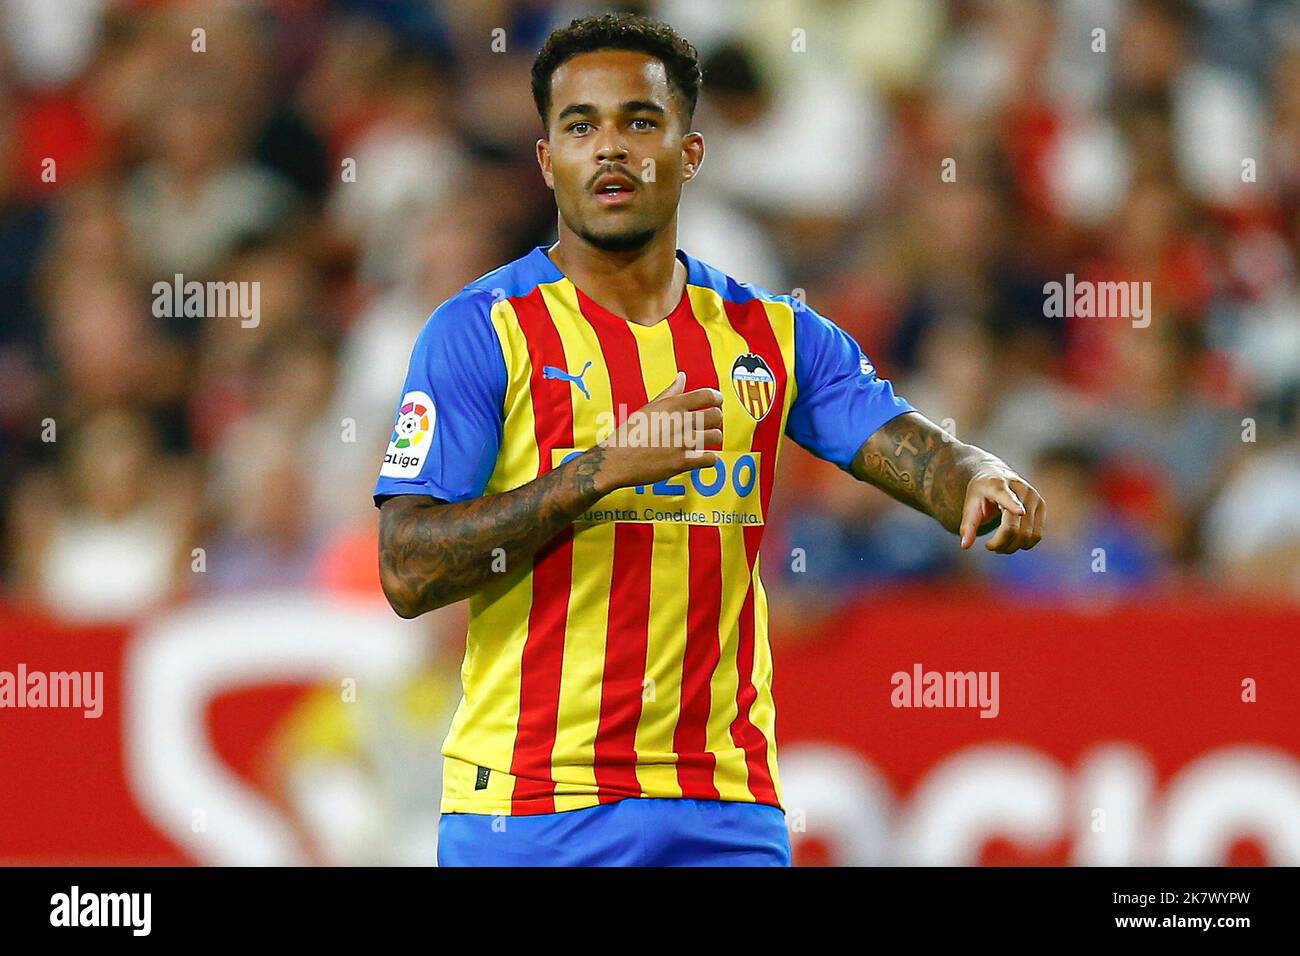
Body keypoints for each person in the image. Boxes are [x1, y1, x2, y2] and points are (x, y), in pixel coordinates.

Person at [373, 13, 1045, 867]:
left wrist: (977, 471)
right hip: (533, 808)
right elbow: (408, 567)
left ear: (689, 153)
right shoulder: (479, 332)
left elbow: (908, 444)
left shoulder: (775, 336)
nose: (609, 148)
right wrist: (602, 471)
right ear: (548, 162)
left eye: (639, 122)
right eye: (580, 126)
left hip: (724, 806)